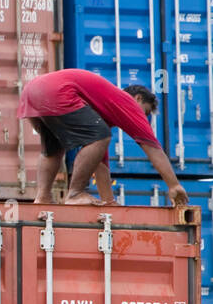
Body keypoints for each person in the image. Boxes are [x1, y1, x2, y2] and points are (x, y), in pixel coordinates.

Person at [20, 68, 187, 207]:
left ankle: (42, 198)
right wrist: (174, 185)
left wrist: (109, 202)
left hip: (32, 91)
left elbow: (100, 163)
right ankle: (75, 194)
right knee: (100, 137)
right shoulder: (127, 103)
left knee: (54, 148)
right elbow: (153, 148)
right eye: (146, 112)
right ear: (138, 98)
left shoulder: (100, 110)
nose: (145, 118)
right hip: (57, 92)